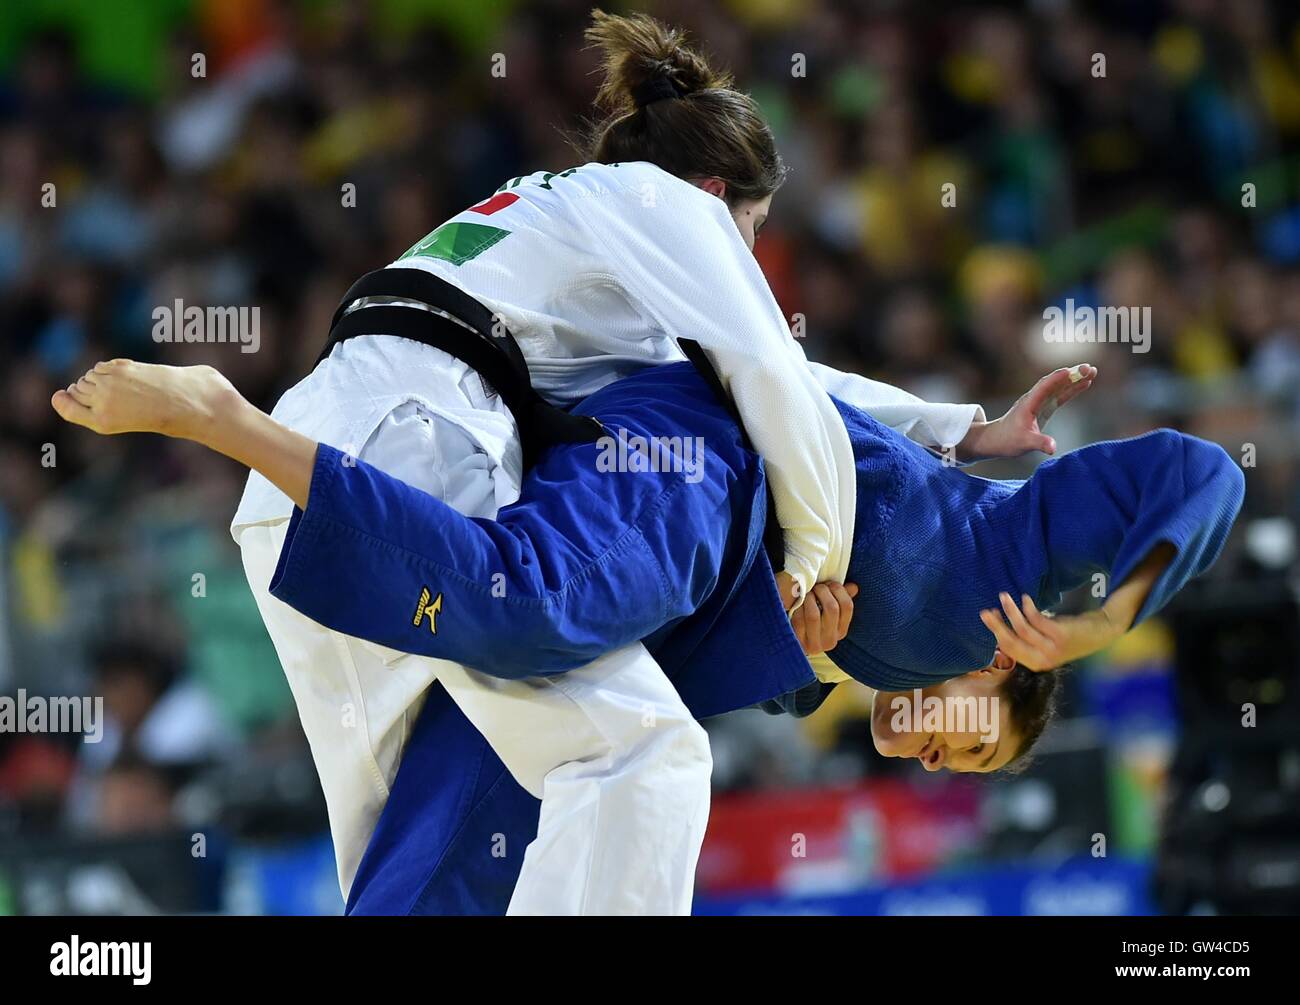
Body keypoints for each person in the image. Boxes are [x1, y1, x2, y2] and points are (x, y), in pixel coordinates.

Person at [50, 350, 1242, 907]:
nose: (937, 758)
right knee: (524, 609)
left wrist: (791, 642)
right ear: (1005, 671)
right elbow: (1200, 474)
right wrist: (1105, 621)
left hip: (667, 537)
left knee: (474, 806)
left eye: (954, 769)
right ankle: (224, 417)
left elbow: (689, 638)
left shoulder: (823, 671)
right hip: (692, 454)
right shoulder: (1005, 569)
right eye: (974, 743)